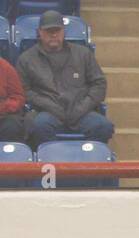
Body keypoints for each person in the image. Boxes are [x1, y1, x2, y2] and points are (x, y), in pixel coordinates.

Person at [18, 10, 114, 146]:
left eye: (57, 30)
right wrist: (48, 106)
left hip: (81, 112)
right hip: (47, 113)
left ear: (64, 31)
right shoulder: (27, 59)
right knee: (38, 126)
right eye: (48, 31)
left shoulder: (83, 54)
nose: (53, 34)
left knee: (102, 126)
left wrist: (82, 107)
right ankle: (50, 163)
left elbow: (99, 84)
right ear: (39, 32)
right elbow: (24, 91)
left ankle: (88, 164)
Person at [0, 53, 26, 143]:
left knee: (12, 125)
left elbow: (18, 97)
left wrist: (4, 107)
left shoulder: (5, 67)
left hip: (3, 114)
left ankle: (9, 156)